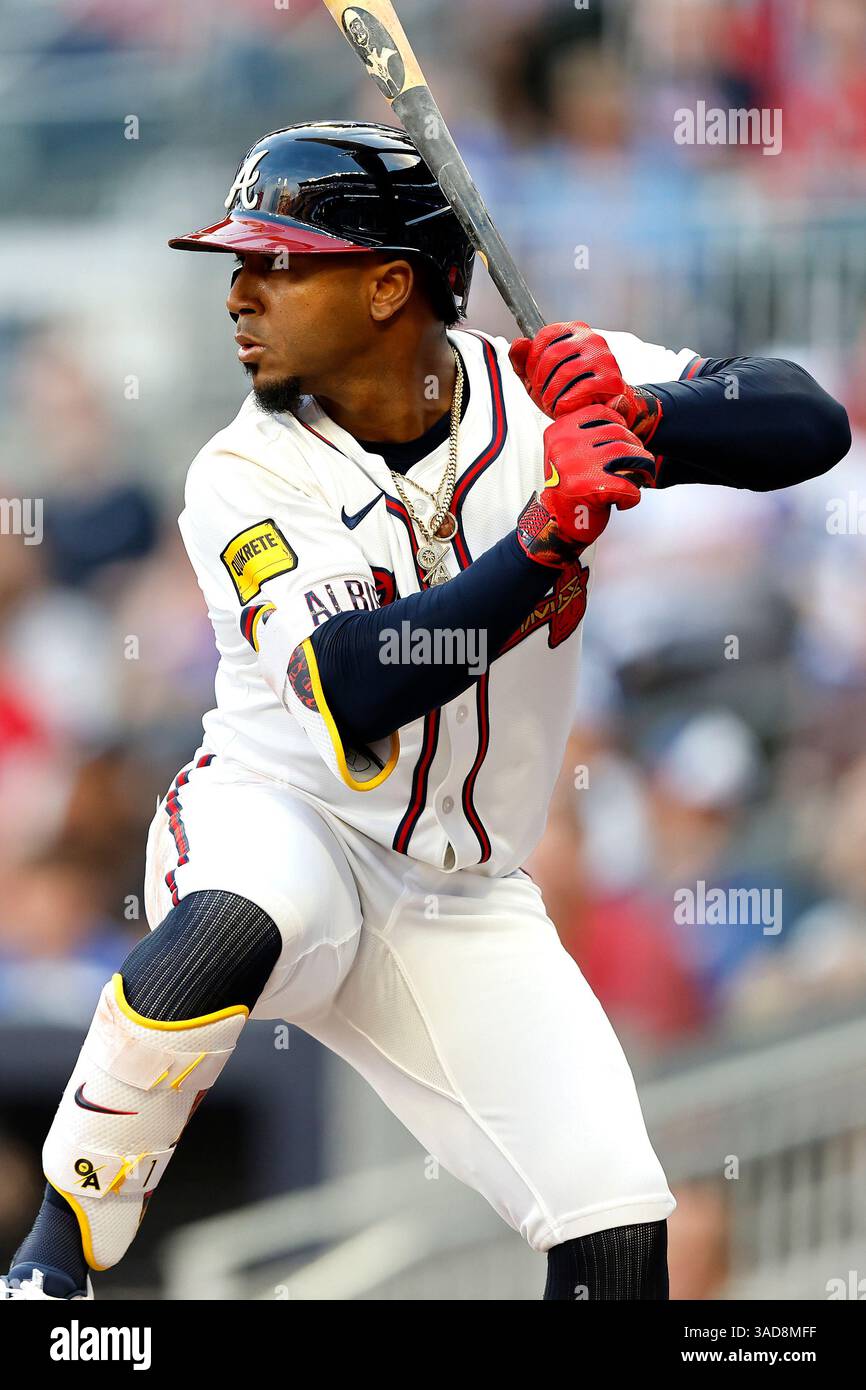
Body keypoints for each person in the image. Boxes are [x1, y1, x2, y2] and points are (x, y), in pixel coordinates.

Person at [2, 121, 849, 1302]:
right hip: (287, 811)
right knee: (242, 917)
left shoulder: (537, 388)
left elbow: (810, 422)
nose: (239, 294)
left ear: (390, 285)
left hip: (464, 894)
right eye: (239, 265)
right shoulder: (241, 473)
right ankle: (58, 1259)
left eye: (277, 262)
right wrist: (542, 534)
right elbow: (363, 679)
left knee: (616, 1227)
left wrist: (648, 418)